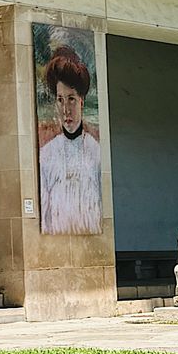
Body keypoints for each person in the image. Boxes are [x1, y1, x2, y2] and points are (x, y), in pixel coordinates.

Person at [37, 45, 102, 235]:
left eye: (71, 99)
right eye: (60, 99)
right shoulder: (47, 154)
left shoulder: (95, 151)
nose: (66, 109)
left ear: (81, 100)